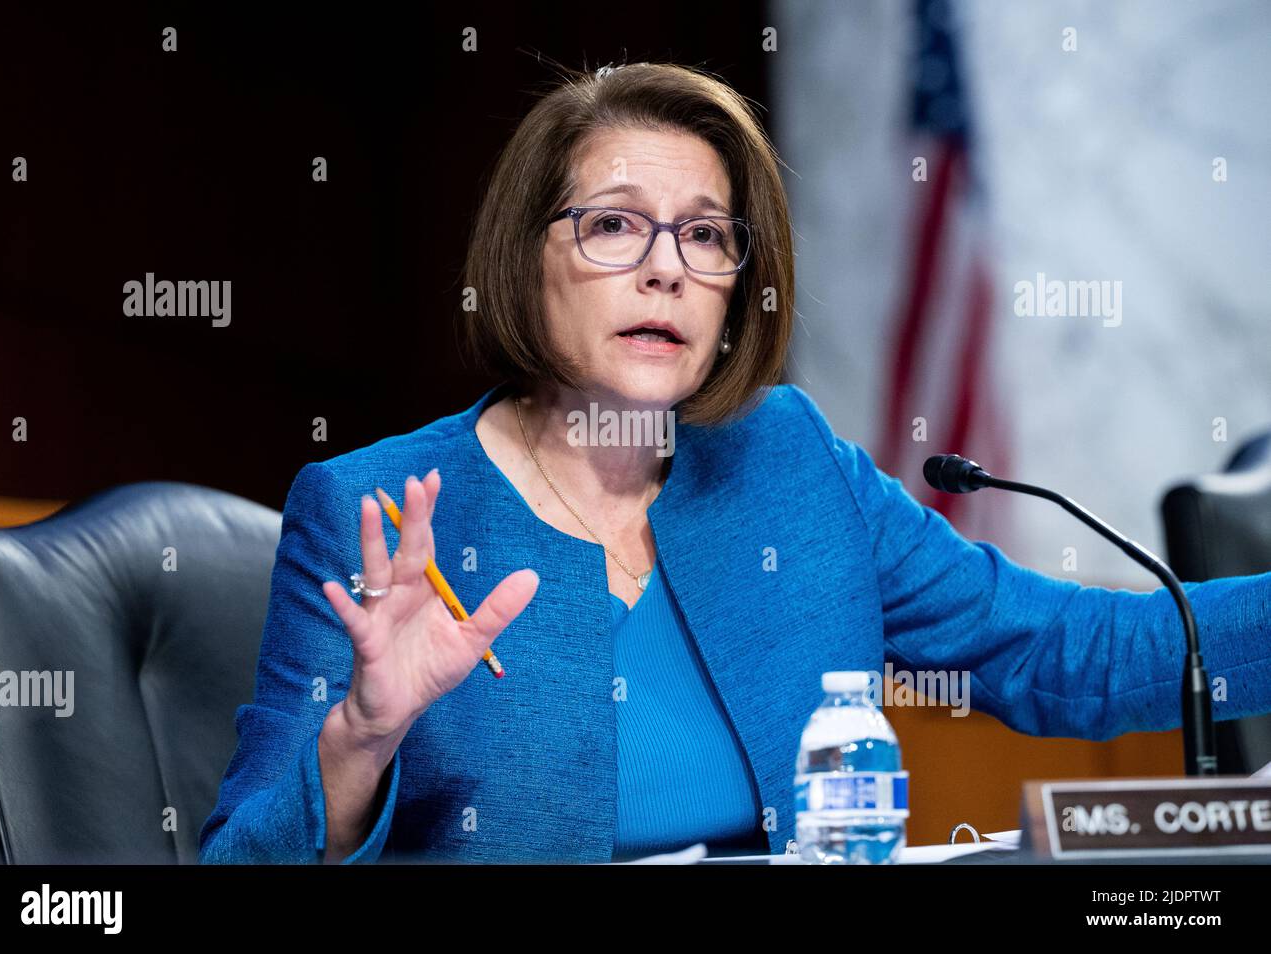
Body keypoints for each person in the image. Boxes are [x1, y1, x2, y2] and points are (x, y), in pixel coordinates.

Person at [199, 62, 1271, 865]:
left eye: (707, 237)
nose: (666, 270)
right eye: (613, 226)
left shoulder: (789, 462)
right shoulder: (372, 512)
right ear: (525, 262)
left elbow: (1060, 650)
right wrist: (361, 738)